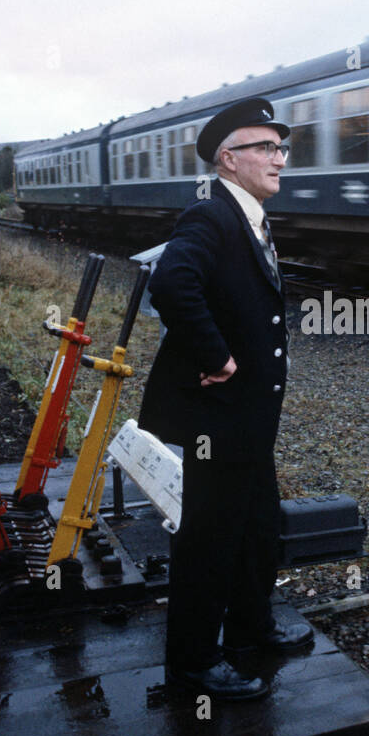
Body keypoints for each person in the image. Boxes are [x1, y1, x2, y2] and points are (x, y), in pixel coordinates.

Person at [138, 96, 313, 701]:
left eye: (281, 147)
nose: (280, 159)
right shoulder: (210, 216)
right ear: (228, 159)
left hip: (246, 417)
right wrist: (218, 356)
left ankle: (250, 629)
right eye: (266, 148)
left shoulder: (251, 216)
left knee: (257, 527)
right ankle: (192, 663)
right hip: (215, 416)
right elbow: (172, 284)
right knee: (209, 538)